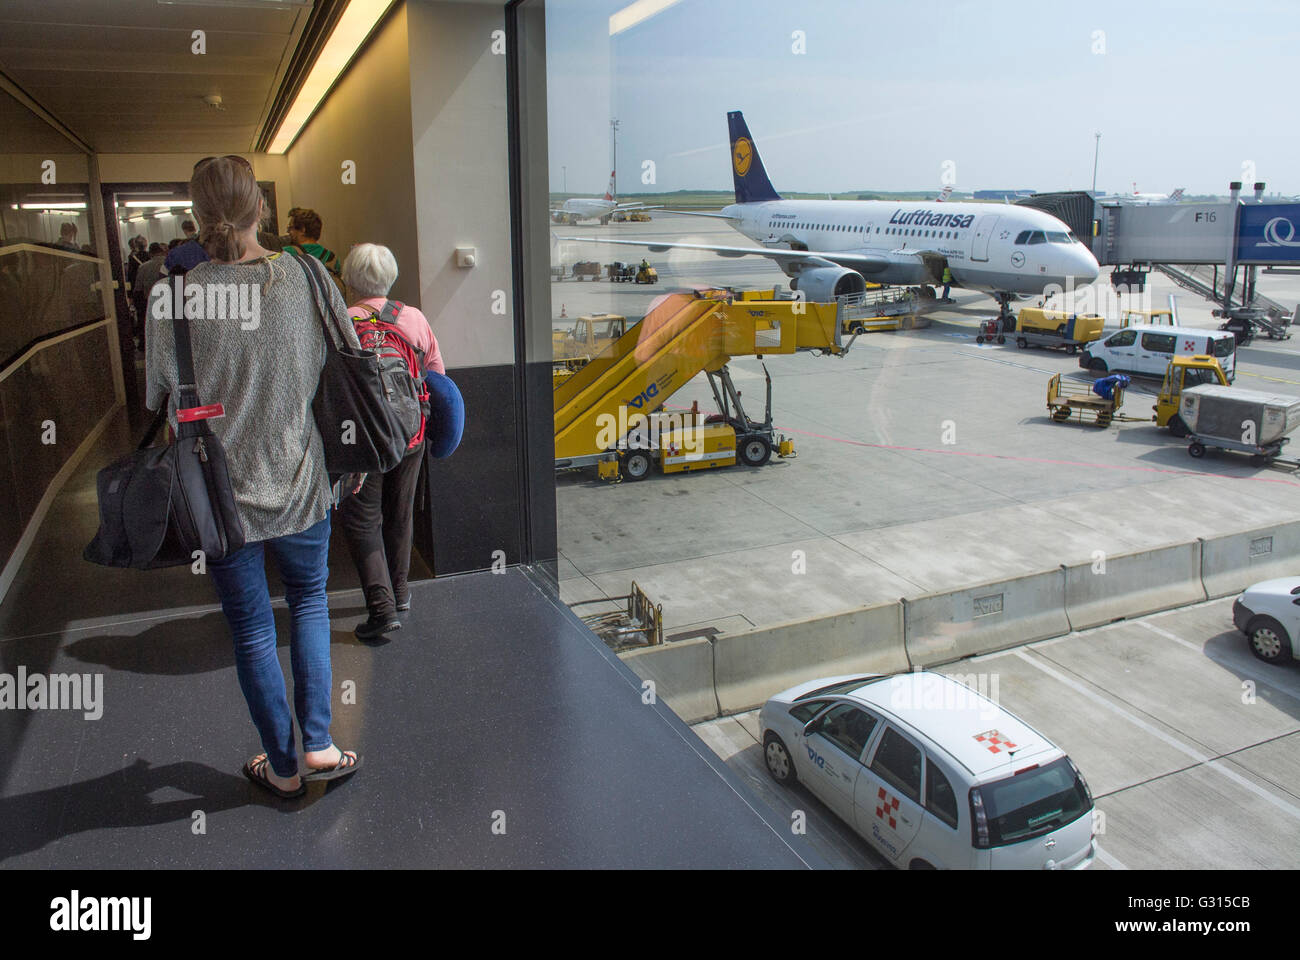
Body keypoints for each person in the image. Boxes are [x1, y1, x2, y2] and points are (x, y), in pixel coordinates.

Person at [144, 155, 364, 799]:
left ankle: (283, 767)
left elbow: (162, 393)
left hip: (219, 500)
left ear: (196, 217)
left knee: (250, 630)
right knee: (311, 603)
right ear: (261, 209)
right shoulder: (306, 275)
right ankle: (320, 744)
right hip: (301, 483)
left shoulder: (175, 296)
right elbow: (345, 356)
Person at [337, 243, 444, 640]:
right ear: (391, 277)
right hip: (409, 433)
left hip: (362, 439)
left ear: (348, 280)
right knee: (400, 513)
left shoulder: (341, 321)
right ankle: (400, 593)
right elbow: (437, 374)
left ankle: (381, 608)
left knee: (363, 519)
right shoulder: (412, 318)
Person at [285, 208, 345, 291]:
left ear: (302, 230)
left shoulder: (287, 253)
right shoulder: (332, 259)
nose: (288, 232)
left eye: (291, 228)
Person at [132, 242, 168, 348]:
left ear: (150, 253)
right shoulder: (169, 264)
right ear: (162, 251)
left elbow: (138, 288)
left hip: (149, 300)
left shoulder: (143, 267)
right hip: (168, 300)